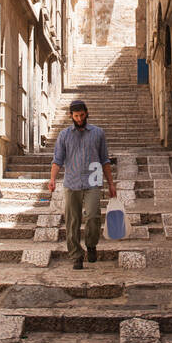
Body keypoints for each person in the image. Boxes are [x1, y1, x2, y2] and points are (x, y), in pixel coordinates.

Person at [49, 100, 116, 269]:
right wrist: (52, 180)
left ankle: (91, 244)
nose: (79, 119)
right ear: (71, 116)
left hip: (93, 180)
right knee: (73, 221)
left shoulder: (98, 133)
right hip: (71, 182)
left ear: (87, 113)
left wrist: (111, 183)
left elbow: (105, 160)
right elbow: (57, 160)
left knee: (93, 215)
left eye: (81, 115)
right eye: (76, 116)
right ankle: (76, 256)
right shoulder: (64, 135)